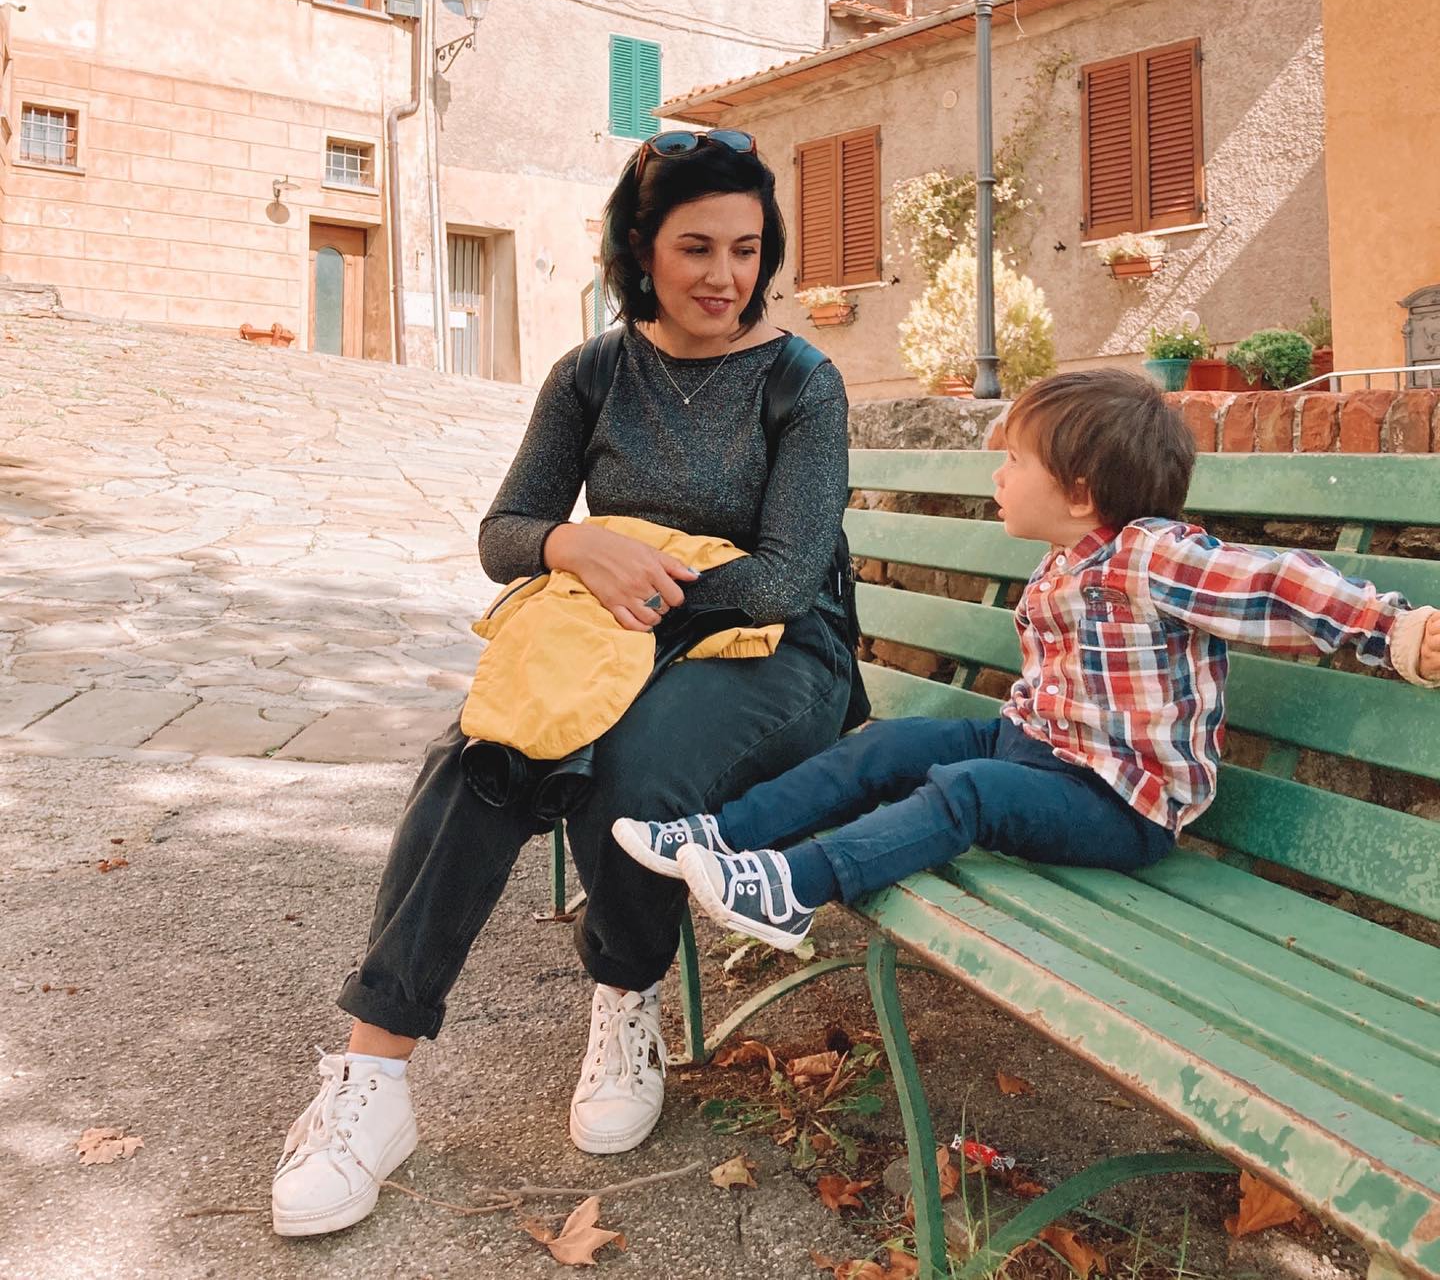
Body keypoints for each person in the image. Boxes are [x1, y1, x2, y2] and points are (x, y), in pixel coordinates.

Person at [271, 130, 861, 1238]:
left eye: (746, 249)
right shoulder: (592, 373)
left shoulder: (800, 381)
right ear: (640, 248)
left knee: (632, 763)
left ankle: (626, 999)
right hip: (609, 633)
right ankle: (372, 1080)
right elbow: (506, 532)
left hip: (779, 652)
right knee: (480, 755)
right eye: (696, 248)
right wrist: (574, 546)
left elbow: (786, 576)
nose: (725, 276)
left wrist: (637, 574)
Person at [613, 368, 1440, 951]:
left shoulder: (1152, 556)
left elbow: (1274, 583)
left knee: (968, 793)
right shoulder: (1067, 557)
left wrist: (1397, 632)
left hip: (1119, 804)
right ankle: (721, 835)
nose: (999, 474)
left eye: (1015, 461)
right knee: (889, 743)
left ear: (1080, 493)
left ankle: (795, 887)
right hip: (1038, 749)